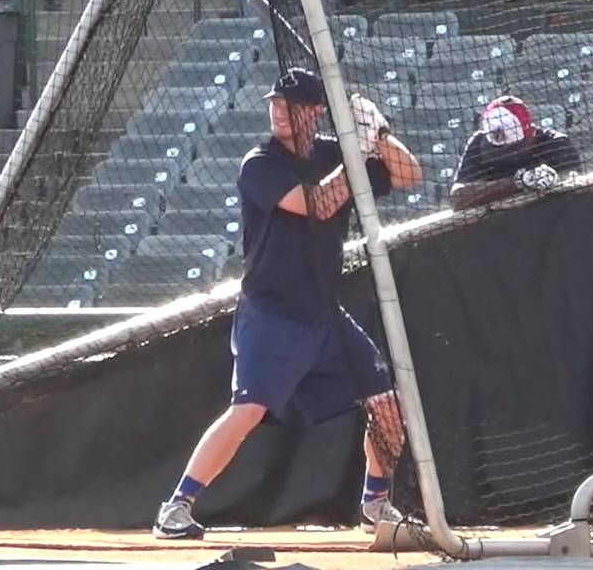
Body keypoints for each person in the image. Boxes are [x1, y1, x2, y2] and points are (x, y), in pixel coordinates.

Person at [152, 68, 424, 540]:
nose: (279, 110)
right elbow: (316, 204)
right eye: (275, 102)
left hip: (324, 314)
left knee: (388, 406)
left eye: (291, 104)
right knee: (248, 411)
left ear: (315, 112)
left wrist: (378, 135)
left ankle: (376, 503)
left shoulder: (331, 153)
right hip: (271, 311)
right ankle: (176, 506)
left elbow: (409, 175)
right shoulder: (260, 163)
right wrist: (357, 155)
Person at [449, 95, 583, 211]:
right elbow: (458, 197)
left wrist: (554, 180)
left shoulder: (555, 143)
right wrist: (518, 182)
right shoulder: (478, 144)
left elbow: (573, 182)